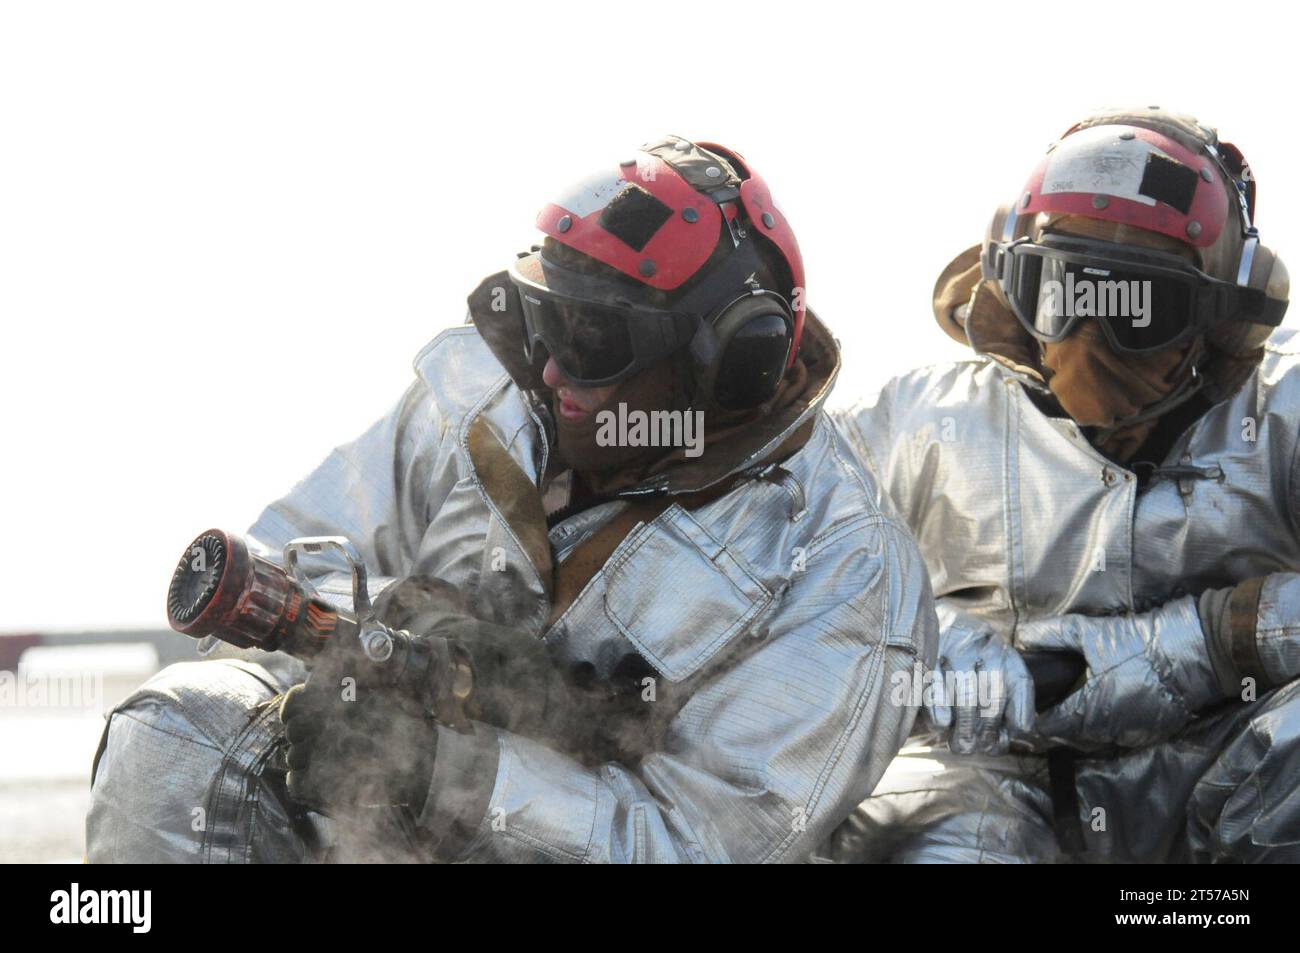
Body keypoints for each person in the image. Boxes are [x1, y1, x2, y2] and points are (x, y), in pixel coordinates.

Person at [87, 136, 937, 863]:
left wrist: (451, 775)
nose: (556, 368)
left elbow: (709, 843)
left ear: (729, 361)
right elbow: (298, 542)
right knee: (176, 736)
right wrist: (386, 638)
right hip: (397, 829)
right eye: (547, 319)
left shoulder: (845, 566)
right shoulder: (493, 395)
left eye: (596, 338)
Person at [829, 107, 1300, 863]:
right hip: (987, 777)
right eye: (1062, 291)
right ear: (1012, 282)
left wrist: (1219, 639)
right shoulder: (916, 421)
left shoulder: (1285, 411)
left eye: (1138, 311)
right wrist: (925, 636)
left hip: (1222, 764)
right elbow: (778, 568)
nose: (1089, 336)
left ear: (1219, 312)